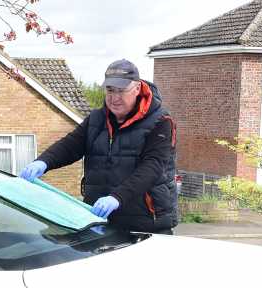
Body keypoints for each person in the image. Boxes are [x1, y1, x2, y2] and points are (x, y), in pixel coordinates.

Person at [18, 59, 179, 234]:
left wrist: (117, 197)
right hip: (100, 219)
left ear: (137, 89)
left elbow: (153, 167)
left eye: (121, 91)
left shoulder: (161, 121)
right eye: (110, 90)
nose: (114, 98)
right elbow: (70, 145)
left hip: (147, 223)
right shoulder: (97, 118)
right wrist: (43, 162)